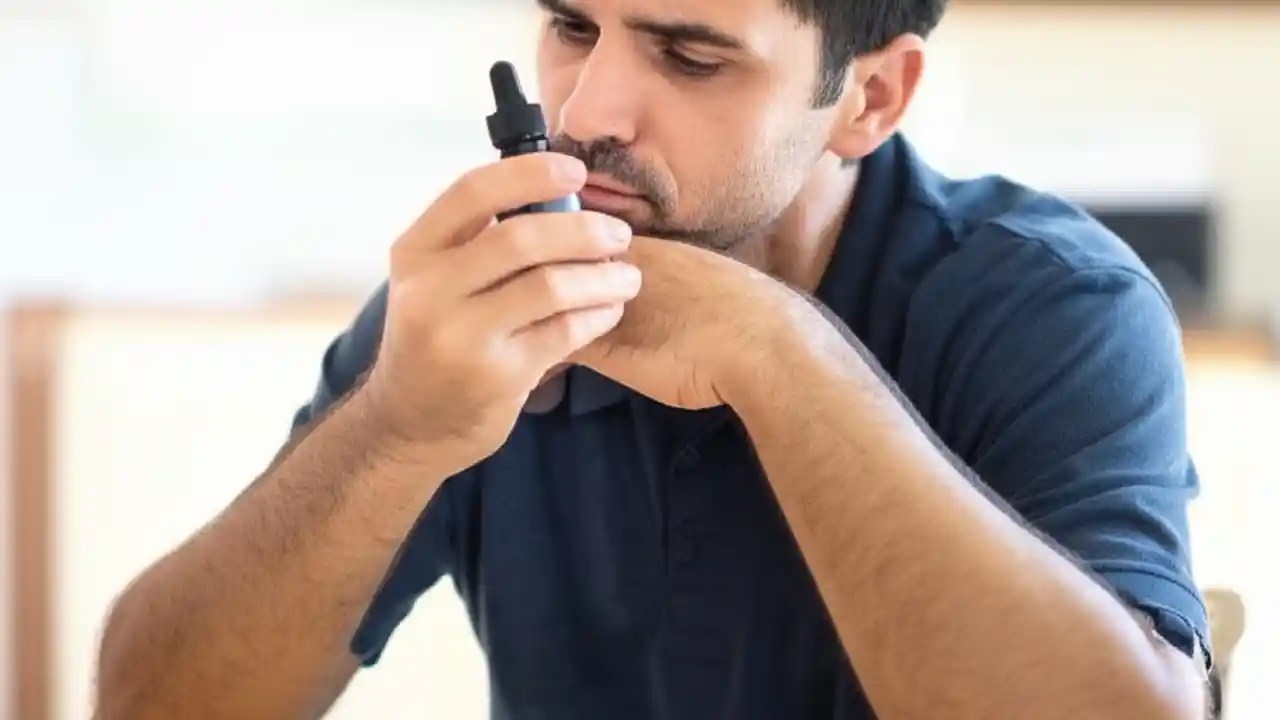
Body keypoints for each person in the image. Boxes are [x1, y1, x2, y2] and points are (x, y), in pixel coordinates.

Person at [94, 0, 1213, 717]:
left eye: (688, 55)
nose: (583, 111)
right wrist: (394, 426)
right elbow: (150, 702)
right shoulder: (485, 300)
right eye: (572, 26)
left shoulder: (1049, 304)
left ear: (867, 97)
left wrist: (773, 349)